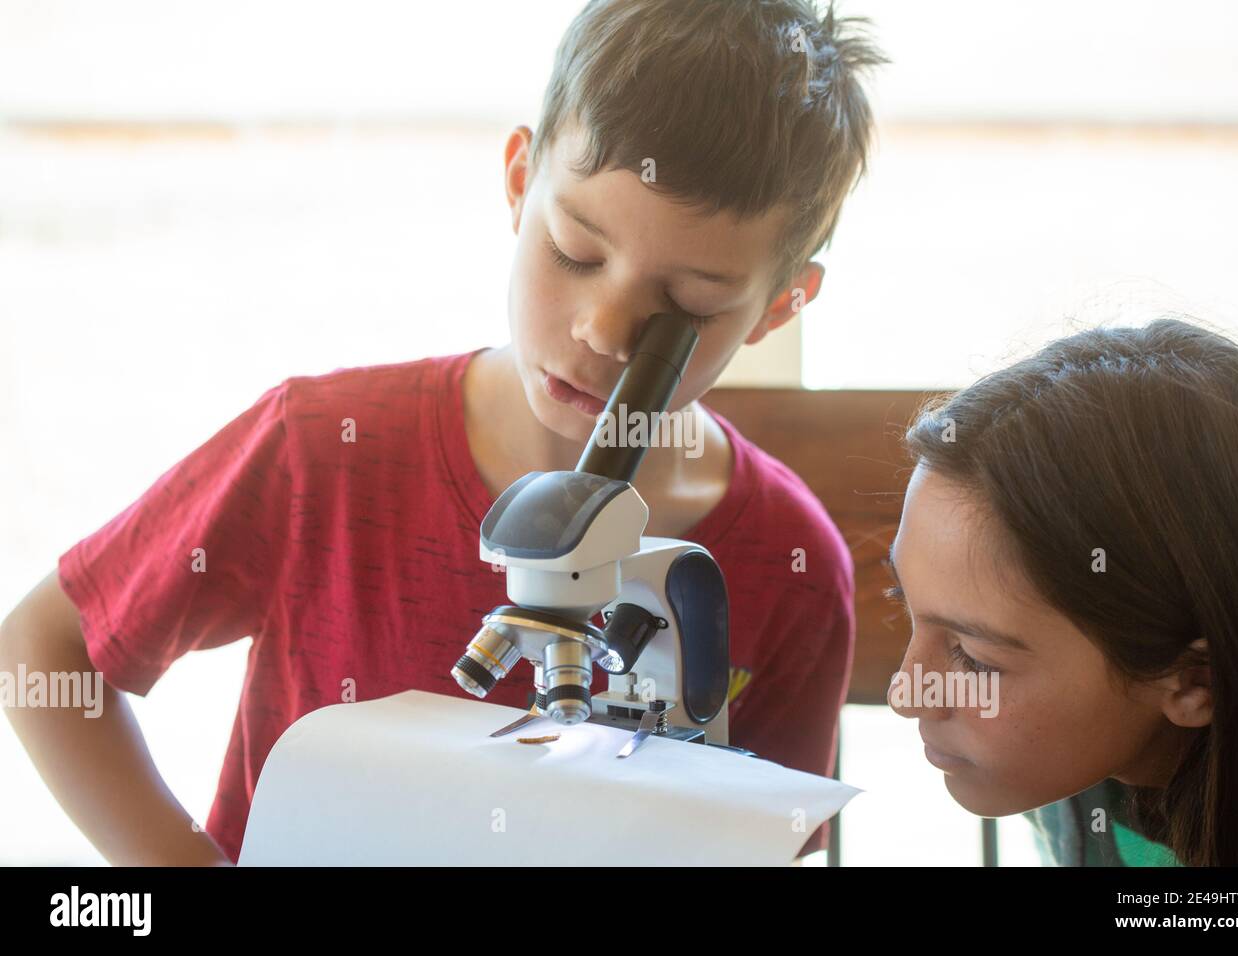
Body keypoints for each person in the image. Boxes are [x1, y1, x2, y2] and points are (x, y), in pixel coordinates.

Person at [0, 0, 884, 864]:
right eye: (576, 251)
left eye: (686, 305)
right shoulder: (324, 450)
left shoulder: (790, 565)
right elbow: (40, 650)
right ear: (517, 181)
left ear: (779, 306)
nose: (604, 332)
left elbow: (776, 838)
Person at [887, 317, 1238, 866]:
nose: (907, 695)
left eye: (976, 660)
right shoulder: (1080, 754)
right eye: (902, 602)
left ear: (1199, 683)